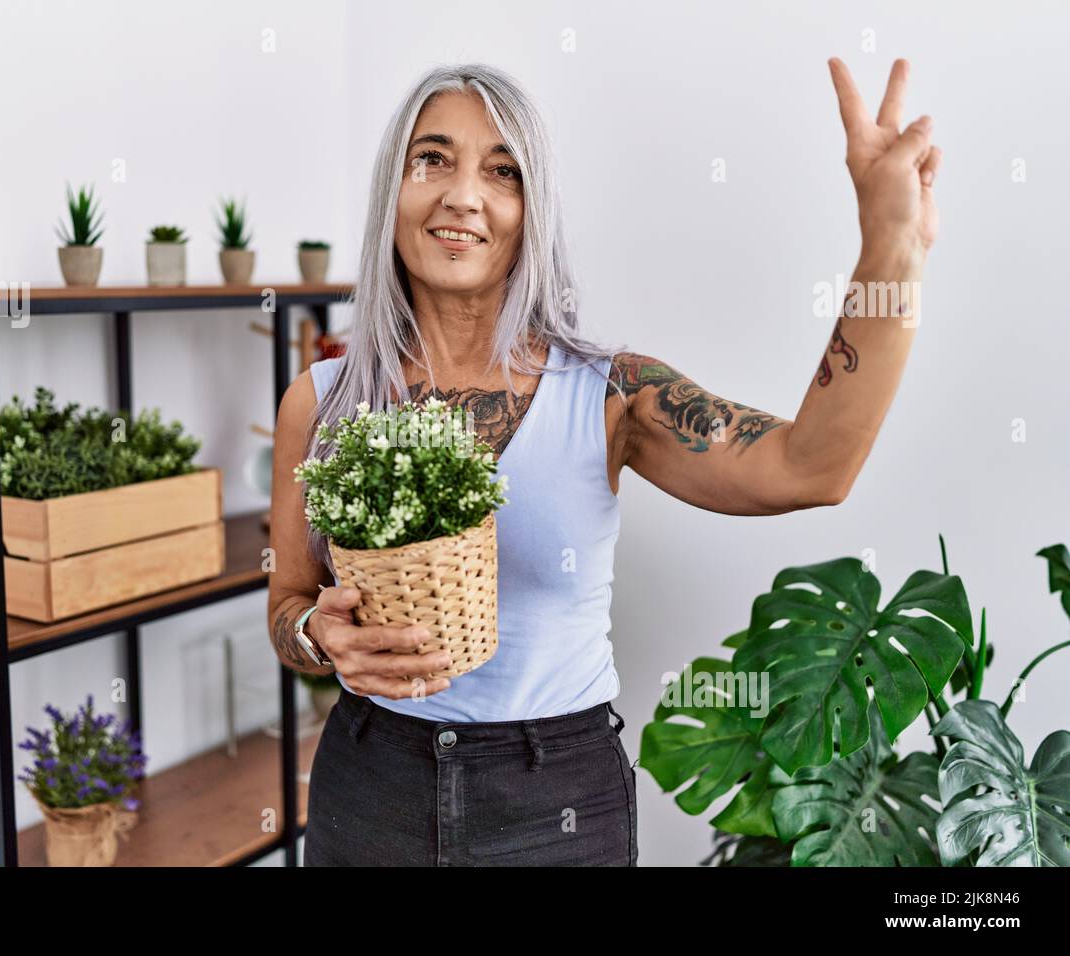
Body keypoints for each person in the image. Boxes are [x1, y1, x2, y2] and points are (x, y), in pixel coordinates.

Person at [267, 59, 940, 866]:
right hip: (371, 791)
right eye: (432, 158)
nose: (462, 195)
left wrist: (888, 249)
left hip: (554, 803)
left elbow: (810, 466)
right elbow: (289, 604)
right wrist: (316, 636)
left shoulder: (612, 393)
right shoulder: (321, 402)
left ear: (531, 210)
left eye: (502, 171)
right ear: (395, 188)